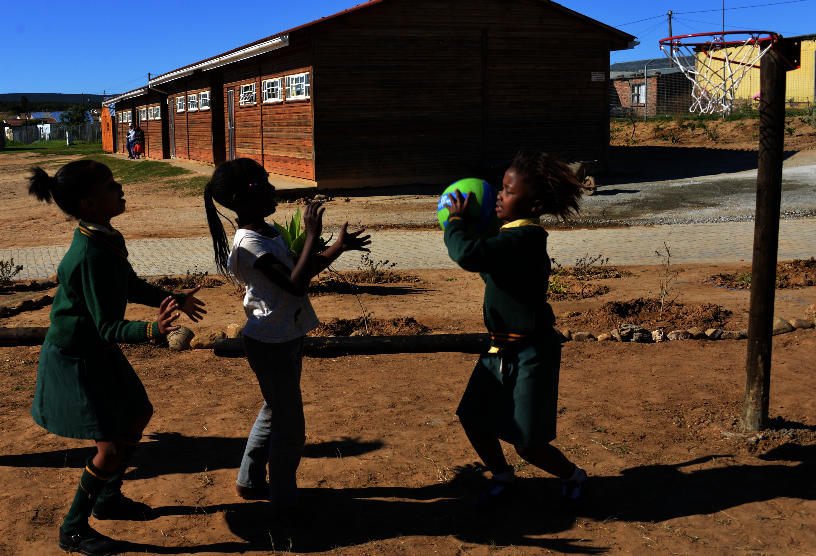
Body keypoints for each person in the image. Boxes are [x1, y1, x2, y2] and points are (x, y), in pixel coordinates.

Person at [27, 160, 206, 555]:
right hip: (77, 357)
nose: (120, 186)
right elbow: (108, 325)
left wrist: (168, 298)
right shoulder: (89, 255)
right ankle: (73, 529)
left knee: (138, 413)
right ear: (90, 202)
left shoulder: (105, 236)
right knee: (108, 450)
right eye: (111, 184)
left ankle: (109, 500)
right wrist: (152, 330)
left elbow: (127, 283)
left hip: (98, 350)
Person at [203, 158, 371, 520]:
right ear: (240, 198)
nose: (272, 186)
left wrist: (336, 246)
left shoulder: (269, 232)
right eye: (263, 182)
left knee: (274, 410)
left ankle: (249, 482)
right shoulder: (249, 245)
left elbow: (302, 269)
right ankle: (283, 500)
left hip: (286, 337)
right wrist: (312, 235)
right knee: (290, 427)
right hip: (269, 344)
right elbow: (295, 285)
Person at [443, 149, 587, 511]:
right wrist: (484, 229)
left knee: (528, 443)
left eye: (507, 191)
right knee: (474, 419)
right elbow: (487, 262)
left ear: (534, 203)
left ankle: (574, 477)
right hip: (500, 348)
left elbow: (467, 256)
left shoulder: (526, 239)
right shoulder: (509, 238)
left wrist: (456, 223)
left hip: (530, 351)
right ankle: (503, 477)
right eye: (500, 189)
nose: (498, 196)